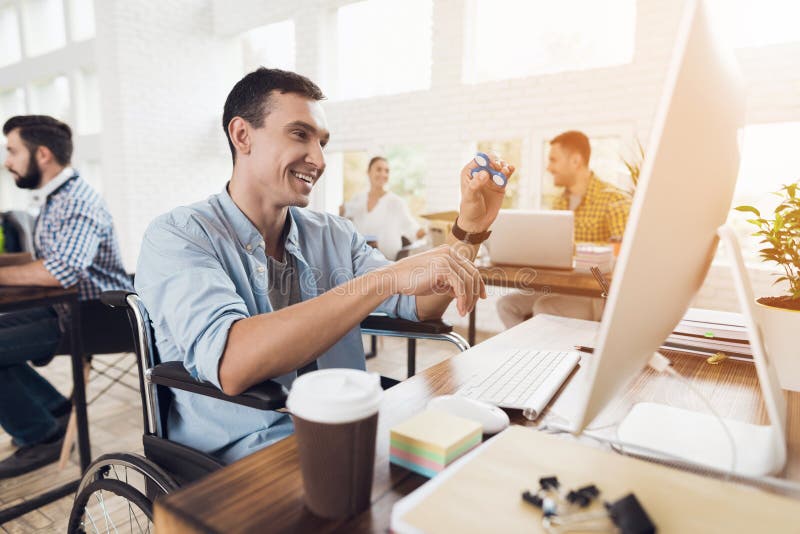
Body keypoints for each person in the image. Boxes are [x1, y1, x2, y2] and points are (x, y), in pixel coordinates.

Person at [135, 68, 513, 463]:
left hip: (345, 429)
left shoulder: (332, 233)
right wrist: (382, 280)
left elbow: (418, 307)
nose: (318, 159)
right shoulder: (179, 235)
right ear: (242, 135)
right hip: (248, 454)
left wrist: (471, 227)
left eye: (322, 142)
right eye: (300, 134)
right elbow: (231, 362)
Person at [0, 115, 133, 478]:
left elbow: (61, 270)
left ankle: (42, 436)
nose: (7, 160)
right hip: (66, 311)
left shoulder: (75, 201)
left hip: (99, 317)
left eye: (12, 151)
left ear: (42, 154)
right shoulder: (55, 198)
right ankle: (54, 411)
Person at [496, 130, 630, 328]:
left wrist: (579, 250)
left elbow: (623, 255)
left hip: (595, 294)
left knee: (544, 307)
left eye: (553, 160)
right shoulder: (559, 202)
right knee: (507, 305)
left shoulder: (614, 199)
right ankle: (531, 353)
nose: (549, 168)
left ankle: (549, 355)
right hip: (559, 287)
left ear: (575, 161)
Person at [342, 156, 426, 261]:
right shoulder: (358, 199)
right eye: (379, 169)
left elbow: (410, 226)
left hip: (387, 262)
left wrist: (426, 231)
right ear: (368, 172)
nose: (383, 174)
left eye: (387, 171)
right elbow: (345, 225)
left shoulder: (396, 202)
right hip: (360, 260)